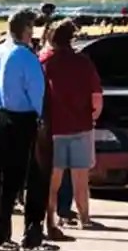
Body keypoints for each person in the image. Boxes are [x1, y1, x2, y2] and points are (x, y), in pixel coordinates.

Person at [0, 9, 56, 251]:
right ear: (26, 29)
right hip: (25, 119)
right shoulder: (26, 56)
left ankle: (0, 234)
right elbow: (37, 94)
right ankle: (33, 235)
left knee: (2, 180)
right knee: (36, 179)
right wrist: (42, 121)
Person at [40, 19, 102, 238]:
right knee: (81, 178)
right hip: (80, 126)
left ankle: (51, 219)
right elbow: (96, 98)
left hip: (53, 129)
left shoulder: (44, 62)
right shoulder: (83, 62)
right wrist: (91, 116)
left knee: (53, 179)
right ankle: (84, 218)